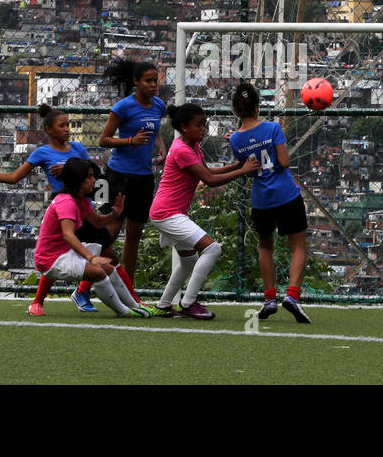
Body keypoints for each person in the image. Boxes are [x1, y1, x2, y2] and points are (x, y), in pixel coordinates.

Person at [0, 104, 132, 315]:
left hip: (83, 206)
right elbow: (14, 177)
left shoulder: (77, 148)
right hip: (63, 207)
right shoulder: (43, 152)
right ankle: (52, 300)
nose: (67, 129)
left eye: (68, 125)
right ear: (49, 130)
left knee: (102, 253)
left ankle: (79, 296)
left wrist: (70, 167)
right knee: (85, 254)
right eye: (62, 125)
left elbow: (92, 172)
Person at [149, 103, 260, 320]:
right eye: (199, 125)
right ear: (184, 127)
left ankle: (163, 306)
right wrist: (242, 171)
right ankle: (188, 303)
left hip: (169, 212)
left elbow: (206, 171)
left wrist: (237, 166)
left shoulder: (191, 145)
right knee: (213, 249)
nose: (203, 129)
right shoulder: (182, 150)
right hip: (167, 213)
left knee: (189, 261)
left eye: (204, 124)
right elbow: (209, 181)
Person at [228, 82, 312, 323]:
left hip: (261, 200)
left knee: (265, 246)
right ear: (257, 106)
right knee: (298, 246)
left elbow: (246, 165)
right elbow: (284, 162)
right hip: (286, 194)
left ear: (236, 111)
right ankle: (293, 297)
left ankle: (269, 298)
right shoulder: (273, 128)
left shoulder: (235, 139)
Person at [31, 157, 149, 318]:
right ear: (77, 180)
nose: (94, 180)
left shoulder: (79, 199)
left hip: (64, 252)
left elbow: (98, 222)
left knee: (108, 267)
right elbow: (68, 234)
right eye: (89, 176)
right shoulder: (67, 202)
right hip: (52, 259)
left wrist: (115, 214)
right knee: (98, 272)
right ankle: (124, 312)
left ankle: (134, 306)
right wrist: (91, 257)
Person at [98, 59, 167, 292]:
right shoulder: (123, 107)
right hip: (119, 175)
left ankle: (128, 287)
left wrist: (161, 146)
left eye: (155, 80)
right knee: (111, 230)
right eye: (148, 81)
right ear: (136, 82)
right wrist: (130, 141)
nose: (153, 85)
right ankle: (91, 284)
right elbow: (104, 140)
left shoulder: (158, 106)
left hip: (144, 177)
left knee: (134, 235)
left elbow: (154, 129)